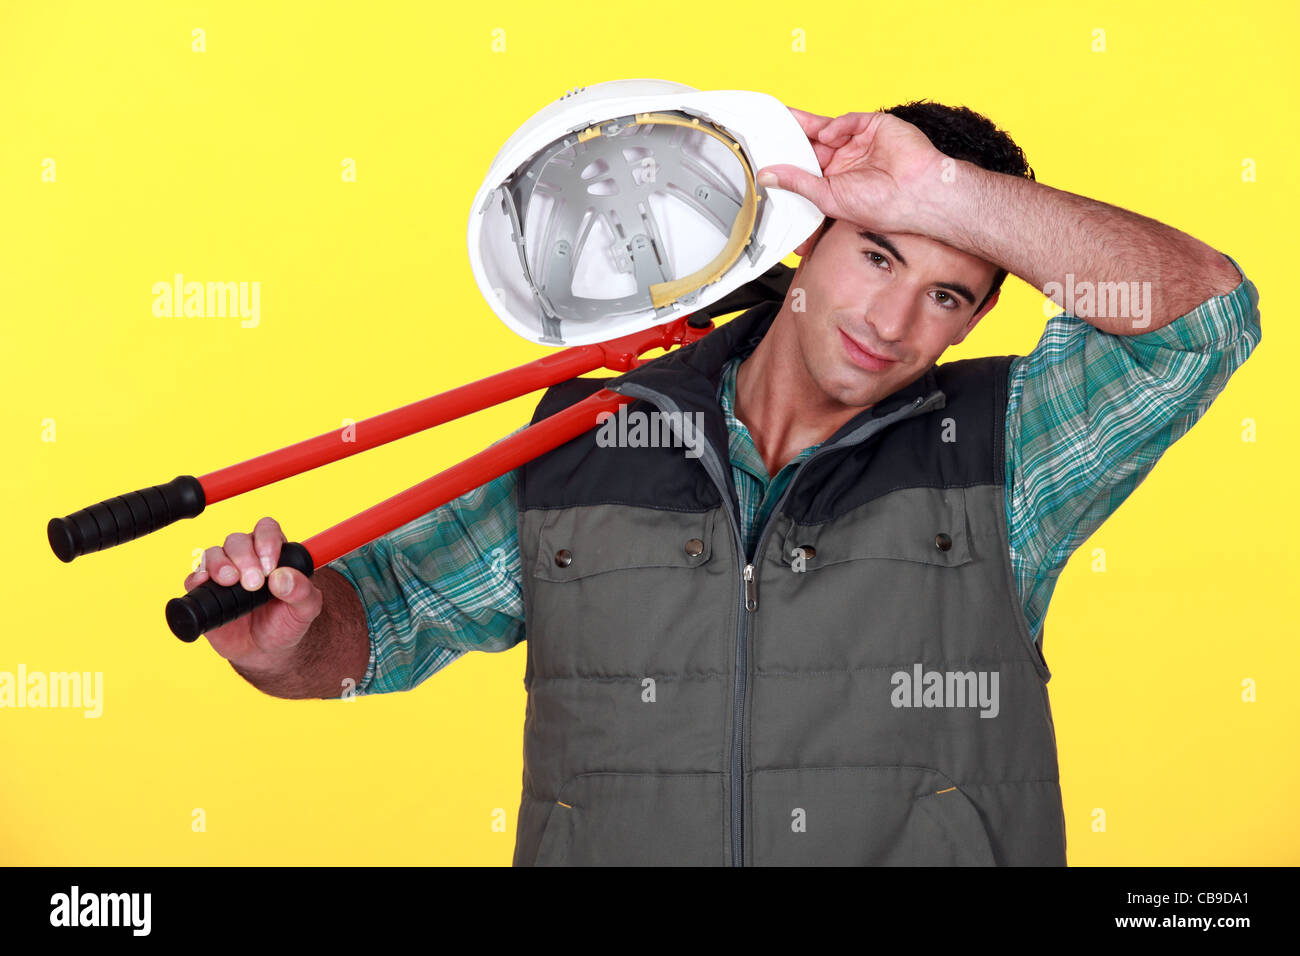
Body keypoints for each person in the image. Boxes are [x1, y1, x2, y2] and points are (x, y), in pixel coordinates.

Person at [183, 100, 1261, 865]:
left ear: (978, 316)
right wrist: (295, 635)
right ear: (806, 243)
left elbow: (1204, 319)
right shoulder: (590, 429)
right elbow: (384, 623)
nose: (890, 322)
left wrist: (942, 190)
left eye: (946, 293)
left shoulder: (1006, 446)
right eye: (877, 255)